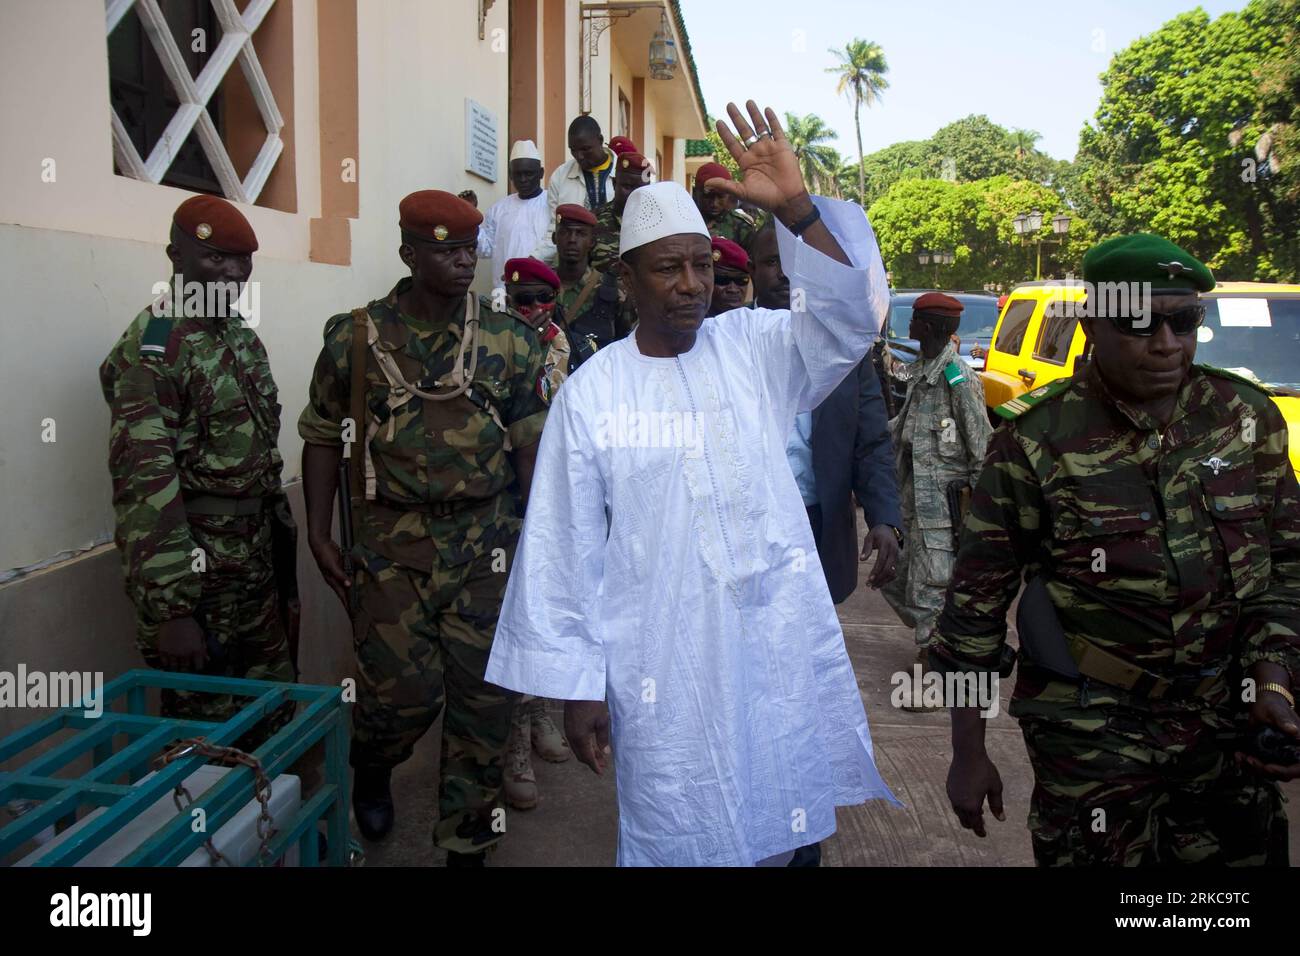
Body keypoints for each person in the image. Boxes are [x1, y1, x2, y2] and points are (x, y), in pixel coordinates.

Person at [486, 101, 898, 866]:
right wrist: (579, 687)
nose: (691, 285)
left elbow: (851, 318)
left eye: (703, 264)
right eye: (668, 267)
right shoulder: (594, 392)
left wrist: (799, 210)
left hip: (775, 640)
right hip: (664, 665)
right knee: (684, 822)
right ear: (626, 278)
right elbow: (564, 545)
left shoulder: (753, 348)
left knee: (789, 809)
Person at [934, 234, 1300, 865]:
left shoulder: (1245, 418)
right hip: (1092, 729)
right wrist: (968, 754)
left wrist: (1274, 682)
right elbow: (974, 612)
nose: (1166, 344)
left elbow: (1286, 567)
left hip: (1224, 719)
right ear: (1092, 326)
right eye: (1139, 322)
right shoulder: (1035, 439)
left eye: (1184, 321)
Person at [298, 190, 549, 866]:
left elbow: (532, 445)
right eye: (445, 249)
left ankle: (468, 843)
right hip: (390, 545)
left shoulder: (508, 341)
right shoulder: (354, 337)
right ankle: (375, 761)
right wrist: (319, 532)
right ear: (409, 253)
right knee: (399, 698)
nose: (464, 261)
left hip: (486, 544)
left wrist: (540, 543)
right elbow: (322, 434)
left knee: (484, 703)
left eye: (471, 248)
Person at [99, 196, 297, 737]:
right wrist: (172, 610)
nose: (233, 272)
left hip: (253, 563)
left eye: (243, 260)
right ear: (176, 255)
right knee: (204, 726)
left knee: (275, 706)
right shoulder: (155, 346)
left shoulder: (239, 337)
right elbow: (145, 482)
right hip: (198, 569)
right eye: (215, 258)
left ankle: (269, 819)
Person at [750, 215, 903, 866]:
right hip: (746, 537)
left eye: (795, 269)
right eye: (769, 267)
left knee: (803, 677)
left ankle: (801, 826)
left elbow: (873, 439)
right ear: (753, 273)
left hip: (816, 530)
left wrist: (885, 519)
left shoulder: (847, 351)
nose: (783, 281)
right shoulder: (725, 344)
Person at [881, 291, 991, 710]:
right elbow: (902, 429)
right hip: (911, 502)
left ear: (928, 328)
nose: (908, 327)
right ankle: (942, 640)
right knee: (895, 579)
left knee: (930, 587)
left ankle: (932, 670)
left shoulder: (958, 379)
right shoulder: (922, 371)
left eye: (914, 322)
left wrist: (980, 518)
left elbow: (980, 446)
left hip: (944, 511)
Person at [551, 203, 634, 358]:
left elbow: (627, 343)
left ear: (592, 242)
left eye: (581, 233)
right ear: (555, 238)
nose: (572, 240)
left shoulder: (613, 291)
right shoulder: (541, 286)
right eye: (565, 232)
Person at [477, 140, 550, 294]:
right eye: (517, 174)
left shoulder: (552, 204)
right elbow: (484, 249)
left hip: (543, 292)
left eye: (529, 173)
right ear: (510, 175)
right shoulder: (498, 209)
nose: (523, 179)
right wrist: (469, 217)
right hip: (504, 293)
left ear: (541, 173)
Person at [589, 151, 654, 275]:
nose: (634, 194)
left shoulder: (657, 222)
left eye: (640, 189)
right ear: (614, 184)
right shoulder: (593, 221)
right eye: (627, 187)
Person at [694, 161, 757, 248]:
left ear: (728, 195)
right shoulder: (686, 222)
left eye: (720, 196)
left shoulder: (742, 227)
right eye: (708, 197)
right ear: (697, 193)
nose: (714, 203)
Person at [706, 237, 750, 316]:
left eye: (741, 280)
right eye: (722, 280)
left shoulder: (755, 321)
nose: (733, 289)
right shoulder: (690, 324)